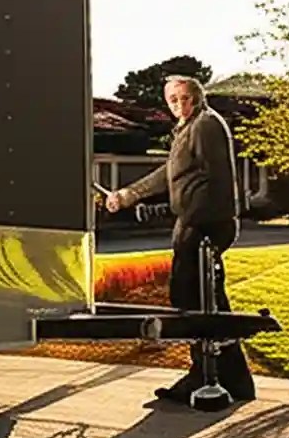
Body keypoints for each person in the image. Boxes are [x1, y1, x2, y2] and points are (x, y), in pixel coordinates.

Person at [105, 75, 257, 404]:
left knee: (195, 303)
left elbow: (217, 178)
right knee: (208, 302)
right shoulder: (188, 129)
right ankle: (234, 379)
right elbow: (169, 173)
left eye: (185, 97)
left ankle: (204, 376)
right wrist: (129, 194)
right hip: (196, 223)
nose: (179, 104)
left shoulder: (205, 126)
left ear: (198, 97)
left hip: (203, 225)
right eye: (173, 99)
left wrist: (191, 219)